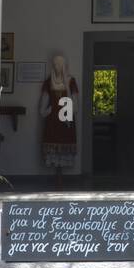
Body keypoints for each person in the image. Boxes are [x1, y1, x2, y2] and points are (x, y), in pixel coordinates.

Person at [38, 54, 78, 186]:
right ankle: (57, 177)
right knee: (53, 147)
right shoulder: (48, 82)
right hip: (53, 120)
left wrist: (66, 86)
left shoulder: (71, 81)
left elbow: (75, 105)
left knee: (65, 146)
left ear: (64, 65)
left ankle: (61, 178)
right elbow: (43, 107)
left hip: (66, 119)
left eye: (60, 64)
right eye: (55, 64)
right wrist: (45, 111)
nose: (57, 67)